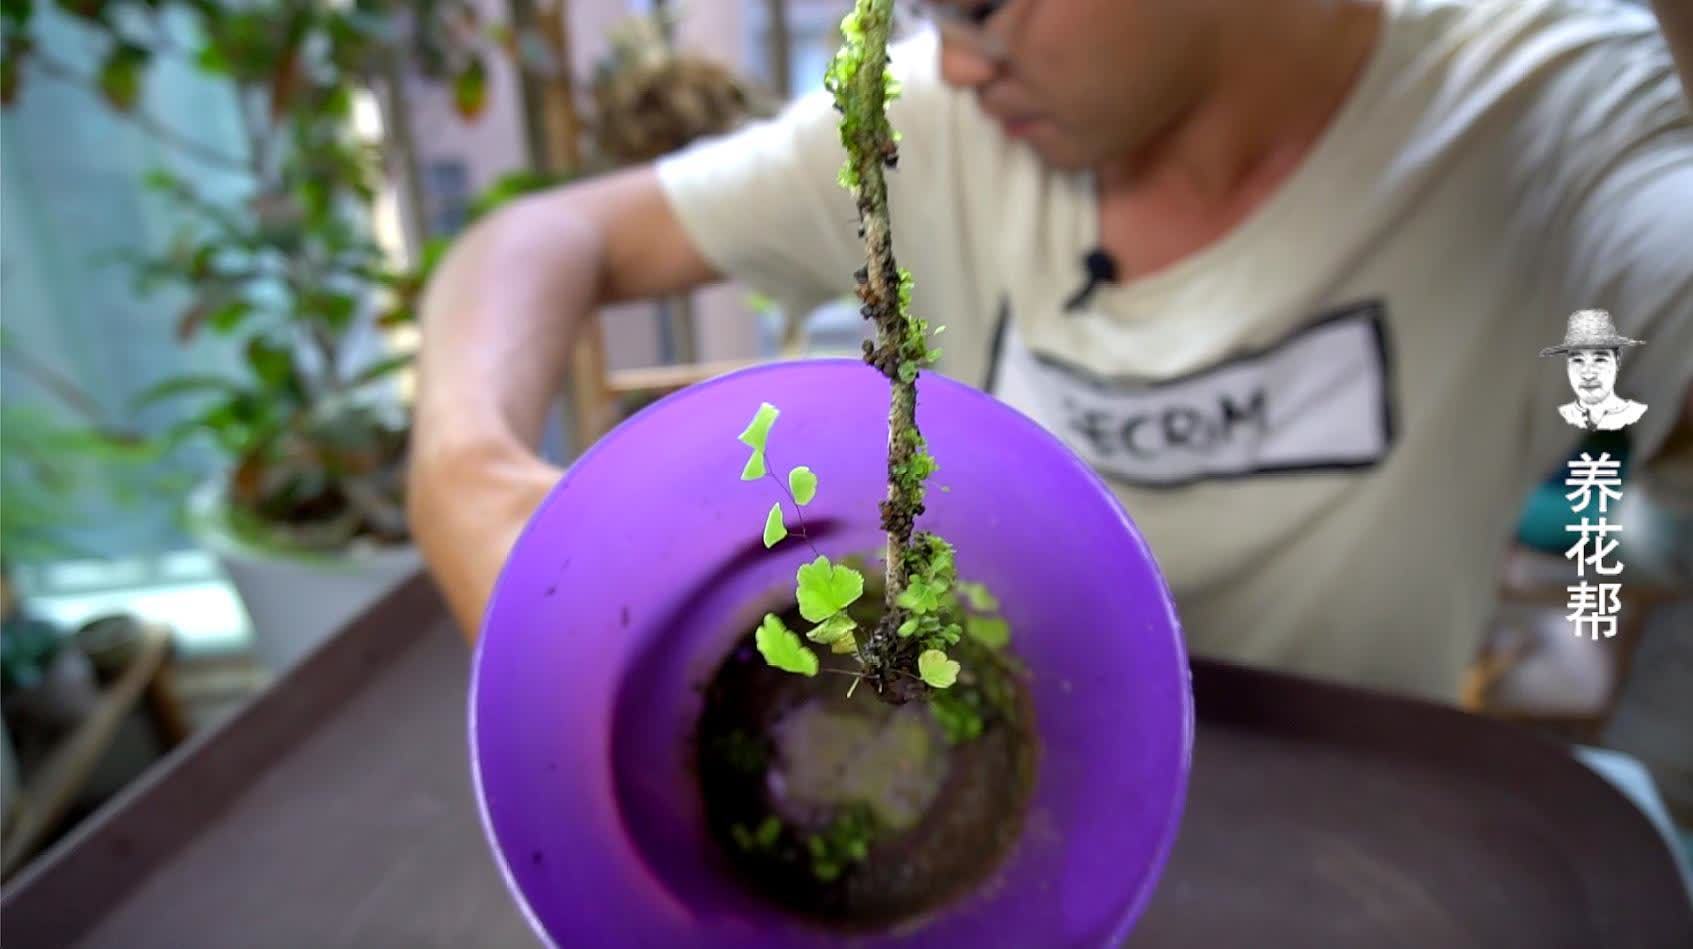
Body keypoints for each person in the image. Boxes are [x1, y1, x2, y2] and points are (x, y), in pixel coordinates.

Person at [410, 0, 1693, 705]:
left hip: (1342, 825)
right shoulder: (939, 126)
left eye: (981, 6)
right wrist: (464, 468)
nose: (956, 62)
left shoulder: (1556, 120)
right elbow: (553, 234)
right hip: (967, 755)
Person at [1541, 308, 1651, 432]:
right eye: (1578, 360)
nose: (1588, 374)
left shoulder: (1636, 415)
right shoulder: (1553, 417)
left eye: (1599, 360)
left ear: (1616, 361)